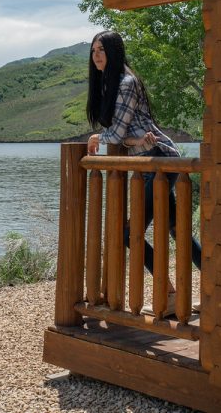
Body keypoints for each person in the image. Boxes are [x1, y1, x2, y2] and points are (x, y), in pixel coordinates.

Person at [85, 30, 202, 314]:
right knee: (177, 230)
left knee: (129, 233)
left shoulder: (126, 83)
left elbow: (114, 134)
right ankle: (215, 291)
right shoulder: (111, 83)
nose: (97, 56)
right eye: (93, 51)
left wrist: (98, 139)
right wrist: (132, 141)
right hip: (151, 160)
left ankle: (170, 293)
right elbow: (124, 135)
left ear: (114, 52)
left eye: (102, 50)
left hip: (159, 160)